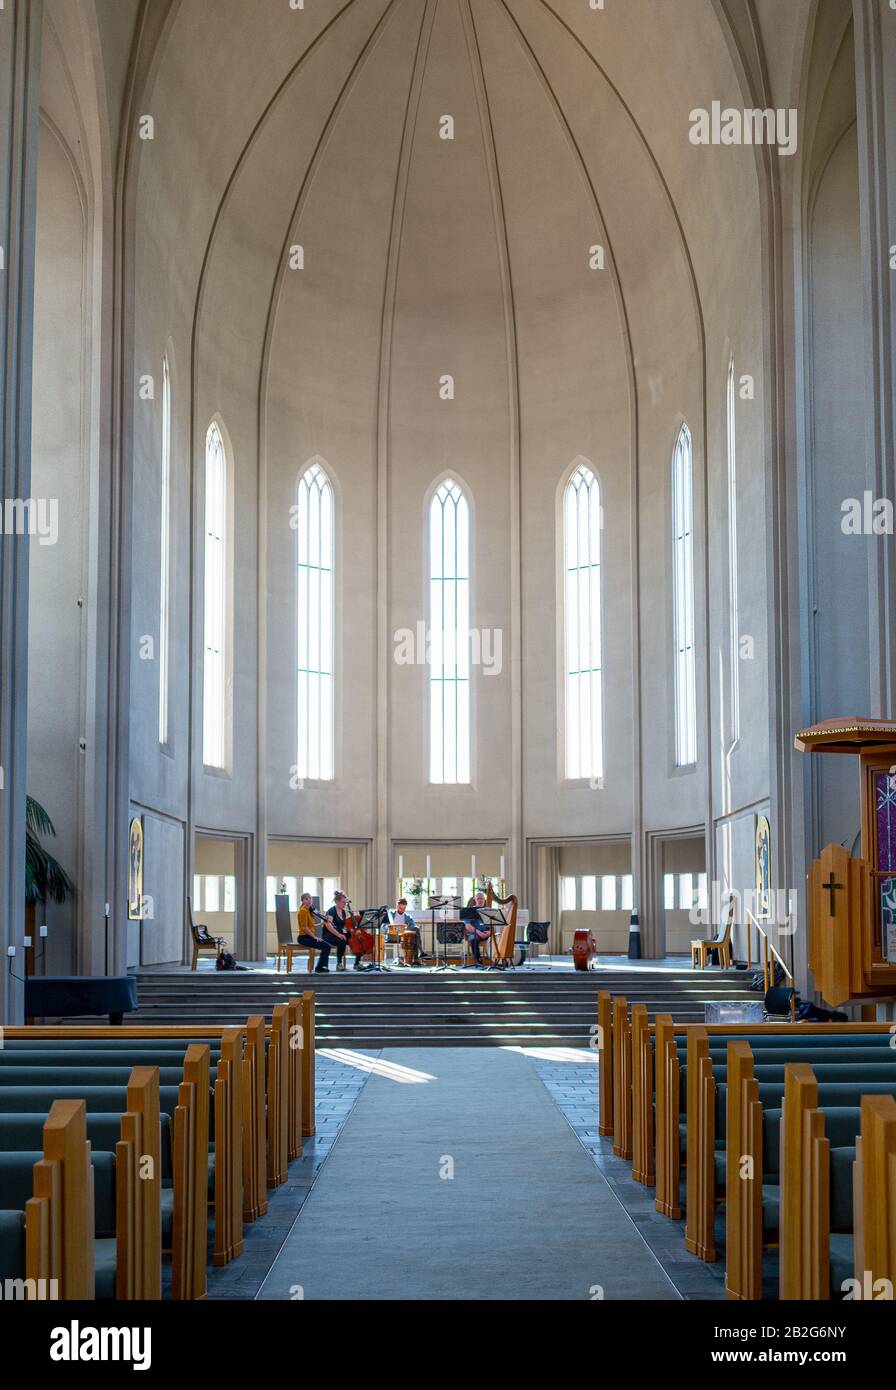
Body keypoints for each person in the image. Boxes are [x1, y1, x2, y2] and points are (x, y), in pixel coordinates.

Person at [318, 891, 352, 973]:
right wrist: (339, 934)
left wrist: (349, 931)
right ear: (337, 902)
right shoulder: (332, 911)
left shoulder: (343, 912)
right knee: (342, 940)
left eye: (345, 902)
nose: (345, 904)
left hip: (338, 933)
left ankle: (357, 962)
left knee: (353, 938)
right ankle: (339, 963)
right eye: (343, 902)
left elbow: (342, 926)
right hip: (328, 934)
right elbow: (328, 926)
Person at [295, 892, 326, 970]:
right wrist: (315, 937)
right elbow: (304, 927)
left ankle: (320, 967)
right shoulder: (303, 911)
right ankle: (319, 967)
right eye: (306, 899)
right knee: (326, 946)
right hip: (304, 937)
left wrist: (321, 924)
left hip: (309, 936)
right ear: (302, 901)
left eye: (310, 898)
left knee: (326, 946)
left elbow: (310, 926)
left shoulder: (309, 910)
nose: (309, 900)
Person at [391, 897, 424, 965]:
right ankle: (418, 955)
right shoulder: (391, 914)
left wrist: (406, 926)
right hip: (393, 934)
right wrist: (392, 927)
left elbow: (413, 925)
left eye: (404, 908)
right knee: (415, 934)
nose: (402, 910)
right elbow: (384, 925)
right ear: (397, 906)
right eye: (400, 908)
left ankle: (415, 959)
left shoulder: (407, 916)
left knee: (415, 932)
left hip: (404, 934)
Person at [461, 896, 490, 967]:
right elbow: (467, 926)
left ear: (484, 900)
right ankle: (478, 960)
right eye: (478, 898)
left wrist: (490, 932)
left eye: (482, 898)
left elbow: (492, 923)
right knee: (473, 939)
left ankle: (496, 960)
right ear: (475, 900)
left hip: (487, 933)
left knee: (497, 938)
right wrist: (479, 933)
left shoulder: (488, 910)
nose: (480, 900)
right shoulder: (469, 910)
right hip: (475, 933)